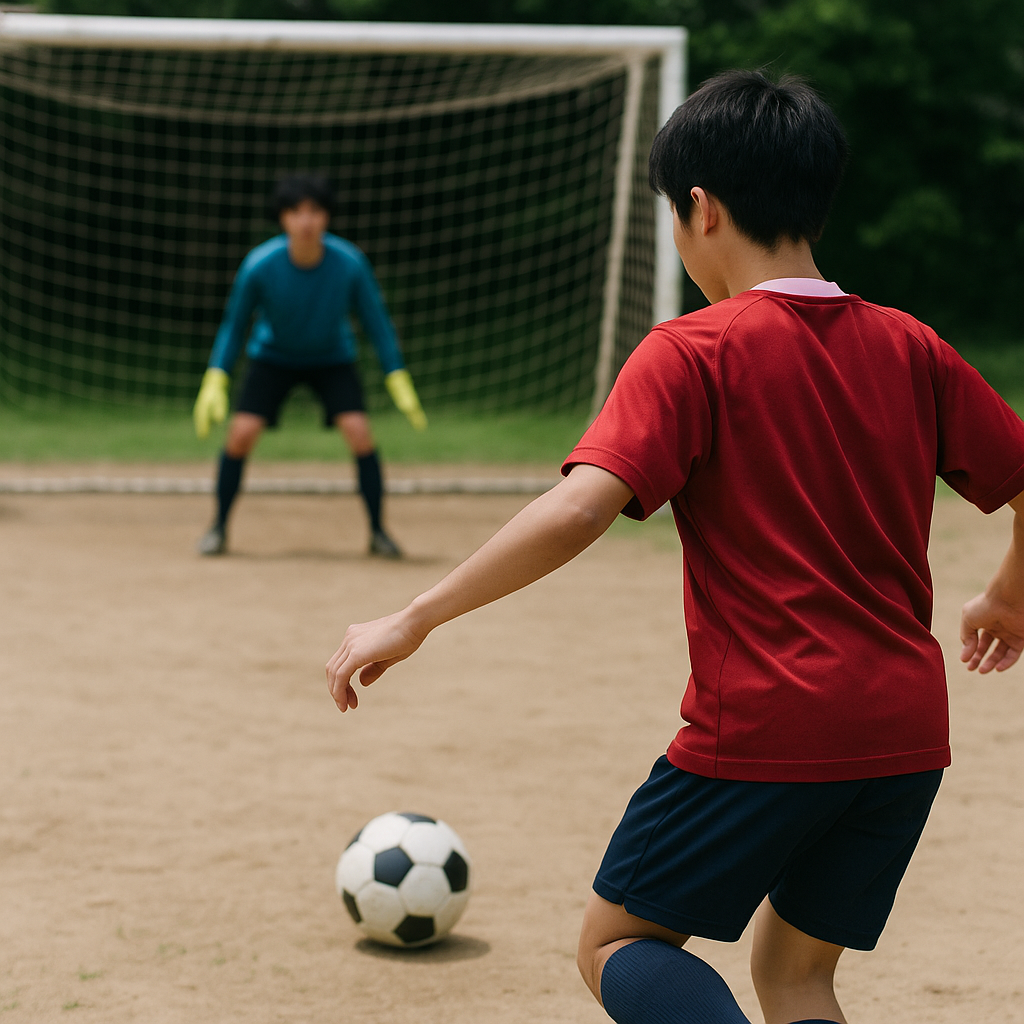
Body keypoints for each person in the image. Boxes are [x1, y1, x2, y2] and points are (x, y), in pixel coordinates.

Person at [325, 70, 1024, 1024]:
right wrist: (1012, 598)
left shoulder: (695, 350)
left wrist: (414, 615)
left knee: (618, 942)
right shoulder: (912, 346)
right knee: (795, 974)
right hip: (905, 730)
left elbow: (580, 510)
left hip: (772, 721)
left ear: (700, 209)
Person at [192, 173, 426, 558]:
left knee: (359, 433)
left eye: (314, 211)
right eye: (295, 212)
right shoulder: (260, 265)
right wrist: (216, 377)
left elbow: (376, 323)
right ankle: (217, 528)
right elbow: (234, 326)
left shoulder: (349, 264)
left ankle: (378, 532)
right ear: (282, 218)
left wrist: (396, 375)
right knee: (240, 435)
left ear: (326, 217)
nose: (306, 221)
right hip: (272, 357)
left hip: (332, 358)